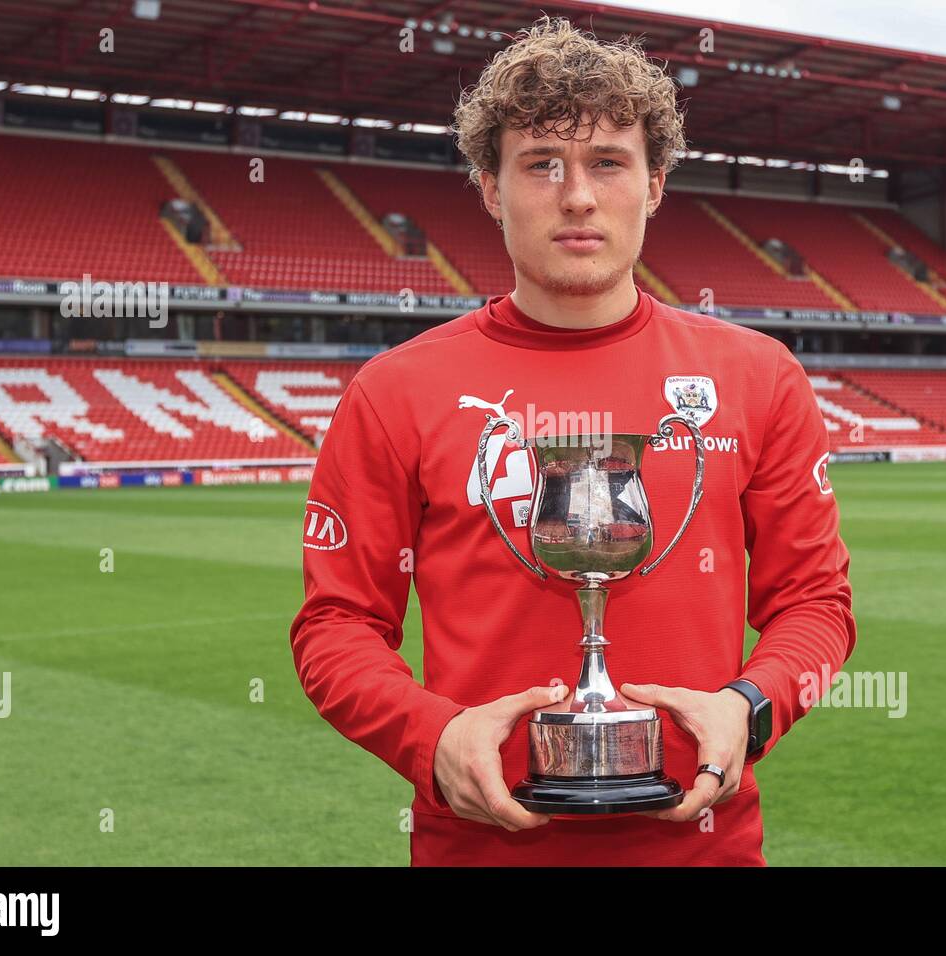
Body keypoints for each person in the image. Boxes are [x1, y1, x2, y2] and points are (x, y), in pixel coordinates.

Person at [289, 16, 857, 866]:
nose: (578, 196)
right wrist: (432, 737)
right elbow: (335, 625)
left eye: (608, 163)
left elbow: (815, 603)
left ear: (656, 182)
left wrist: (751, 705)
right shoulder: (395, 391)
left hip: (705, 851)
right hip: (477, 850)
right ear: (489, 186)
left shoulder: (757, 376)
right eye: (541, 164)